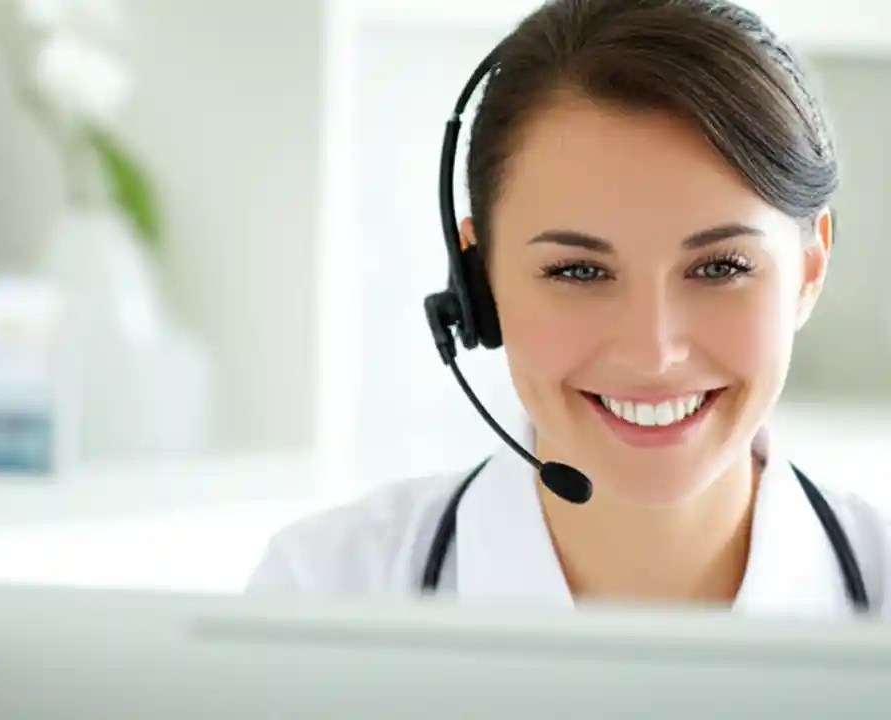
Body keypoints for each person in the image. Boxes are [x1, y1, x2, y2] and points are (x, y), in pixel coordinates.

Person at [246, 0, 891, 616]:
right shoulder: (321, 591)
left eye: (719, 268)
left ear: (810, 270)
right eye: (579, 271)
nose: (652, 351)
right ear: (480, 282)